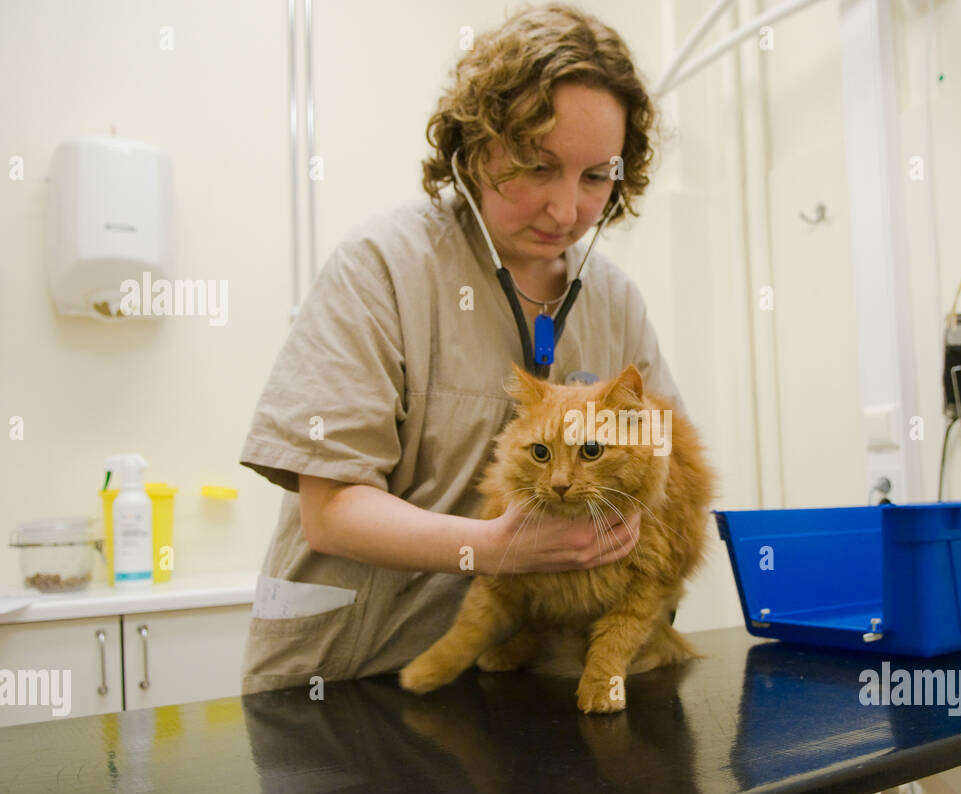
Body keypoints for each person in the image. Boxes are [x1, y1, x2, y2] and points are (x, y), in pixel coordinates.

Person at [237, 3, 688, 694]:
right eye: (538, 167)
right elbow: (330, 511)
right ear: (476, 145)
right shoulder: (382, 267)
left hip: (516, 682)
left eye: (596, 176)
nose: (566, 210)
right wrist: (498, 547)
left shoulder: (615, 303)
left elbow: (671, 477)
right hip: (353, 675)